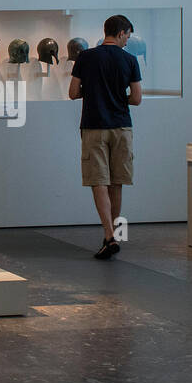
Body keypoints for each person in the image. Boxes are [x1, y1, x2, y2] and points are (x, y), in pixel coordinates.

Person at [68, 14, 142, 259]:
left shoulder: (86, 57)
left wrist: (92, 92)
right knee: (116, 182)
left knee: (98, 181)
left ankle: (109, 234)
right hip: (121, 126)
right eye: (127, 37)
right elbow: (136, 99)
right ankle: (111, 236)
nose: (127, 42)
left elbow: (72, 92)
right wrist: (118, 98)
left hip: (94, 125)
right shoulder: (130, 60)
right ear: (121, 33)